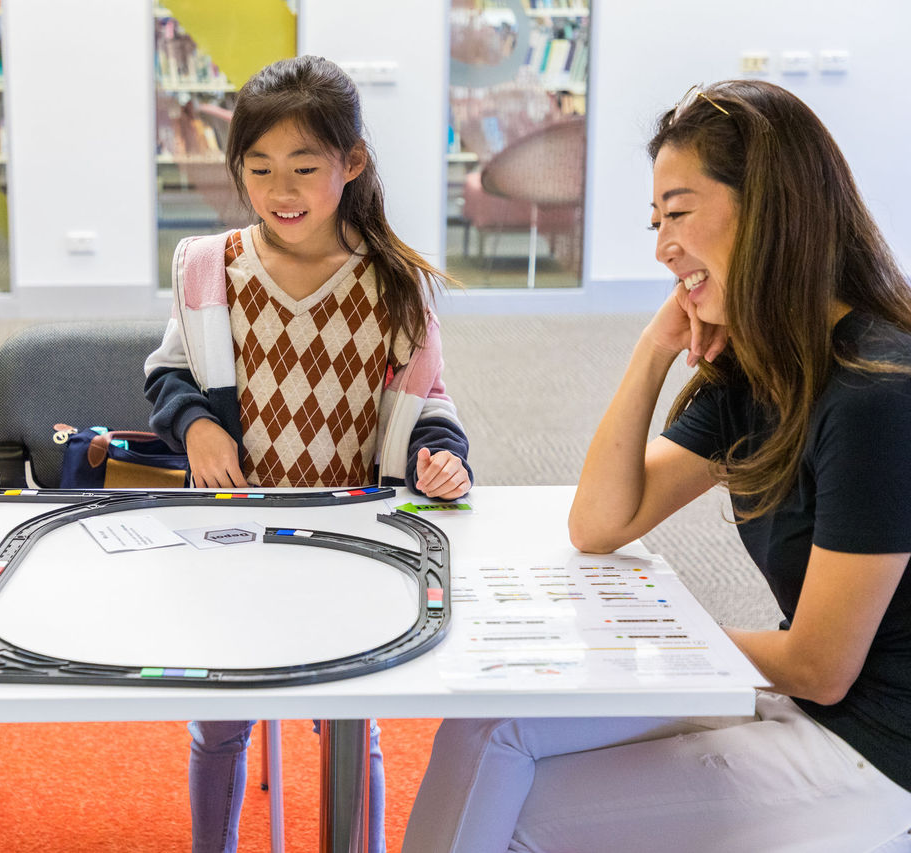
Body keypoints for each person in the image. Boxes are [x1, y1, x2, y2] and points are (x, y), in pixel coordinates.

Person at [401, 80, 911, 852]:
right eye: (655, 220)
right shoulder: (760, 369)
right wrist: (653, 350)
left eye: (677, 213)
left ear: (770, 207)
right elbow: (600, 521)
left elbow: (820, 664)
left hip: (876, 748)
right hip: (801, 704)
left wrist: (667, 637)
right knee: (489, 727)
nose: (660, 245)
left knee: (522, 821)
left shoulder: (876, 392)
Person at [145, 55, 474, 853]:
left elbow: (428, 402)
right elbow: (167, 372)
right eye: (258, 169)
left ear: (350, 163)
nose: (279, 191)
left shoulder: (395, 284)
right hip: (234, 537)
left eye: (303, 168)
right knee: (220, 723)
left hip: (350, 541)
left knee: (350, 731)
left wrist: (442, 455)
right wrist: (195, 425)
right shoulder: (209, 270)